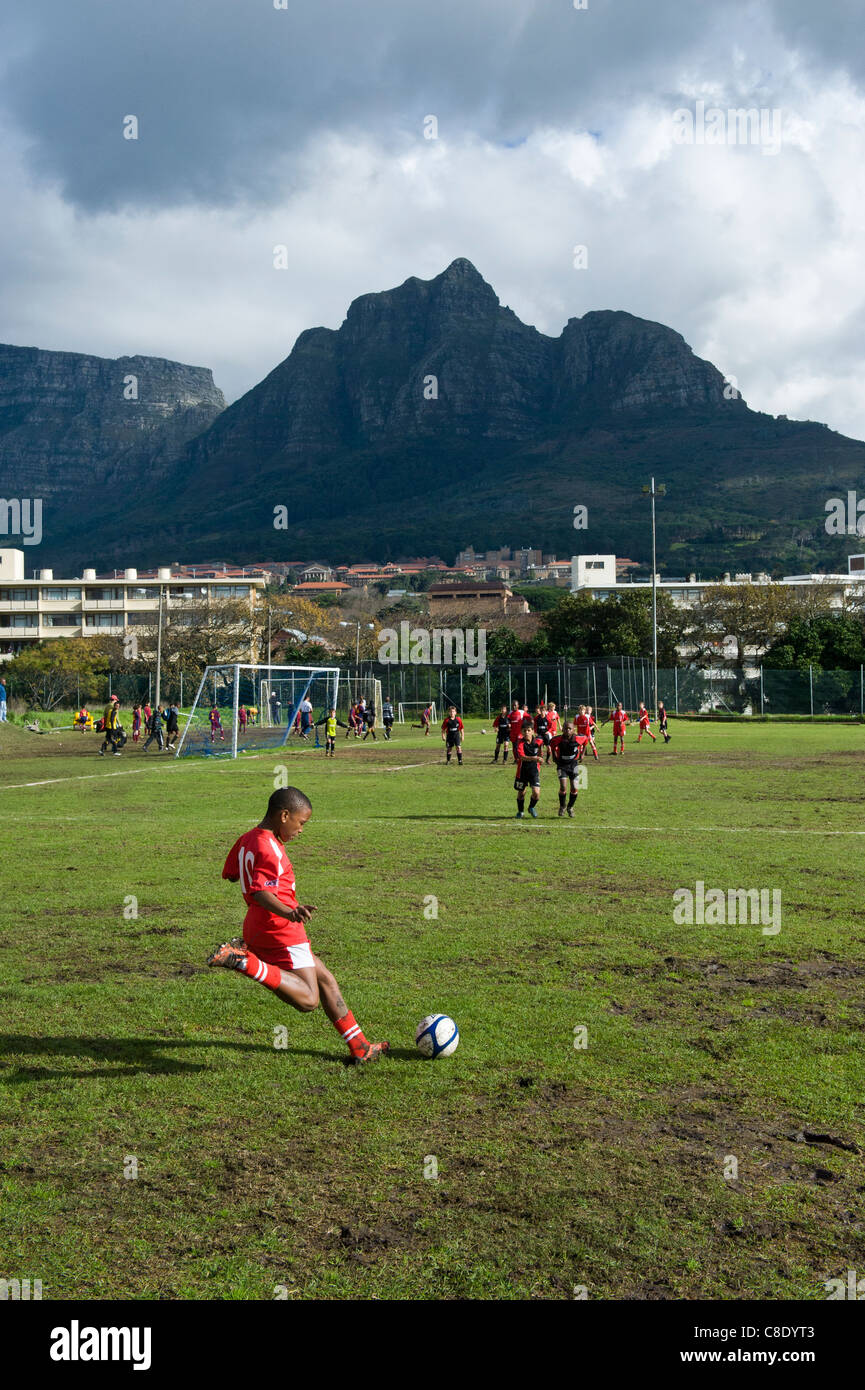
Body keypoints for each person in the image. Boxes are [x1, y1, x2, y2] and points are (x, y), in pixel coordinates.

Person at [206, 786, 389, 1064]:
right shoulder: (269, 848)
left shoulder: (247, 839)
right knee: (308, 999)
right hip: (279, 927)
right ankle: (244, 962)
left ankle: (359, 1046)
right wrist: (289, 911)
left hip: (256, 923)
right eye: (301, 823)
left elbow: (232, 875)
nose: (302, 830)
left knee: (325, 978)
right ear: (284, 815)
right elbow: (261, 891)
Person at [550, 720, 582, 817]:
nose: (567, 730)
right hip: (562, 765)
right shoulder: (558, 739)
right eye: (565, 728)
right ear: (562, 729)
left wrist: (582, 754)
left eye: (570, 729)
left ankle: (570, 807)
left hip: (574, 765)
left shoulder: (578, 738)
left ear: (573, 730)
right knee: (563, 787)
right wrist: (554, 756)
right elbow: (552, 744)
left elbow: (585, 741)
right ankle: (562, 806)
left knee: (575, 787)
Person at [513, 717, 543, 819]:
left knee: (536, 793)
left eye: (528, 730)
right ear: (521, 732)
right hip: (522, 772)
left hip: (534, 771)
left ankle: (531, 807)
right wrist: (535, 758)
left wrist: (541, 758)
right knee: (521, 793)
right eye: (524, 731)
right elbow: (522, 757)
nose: (526, 733)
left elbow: (540, 751)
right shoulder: (520, 743)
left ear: (532, 731)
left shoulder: (538, 741)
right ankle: (520, 811)